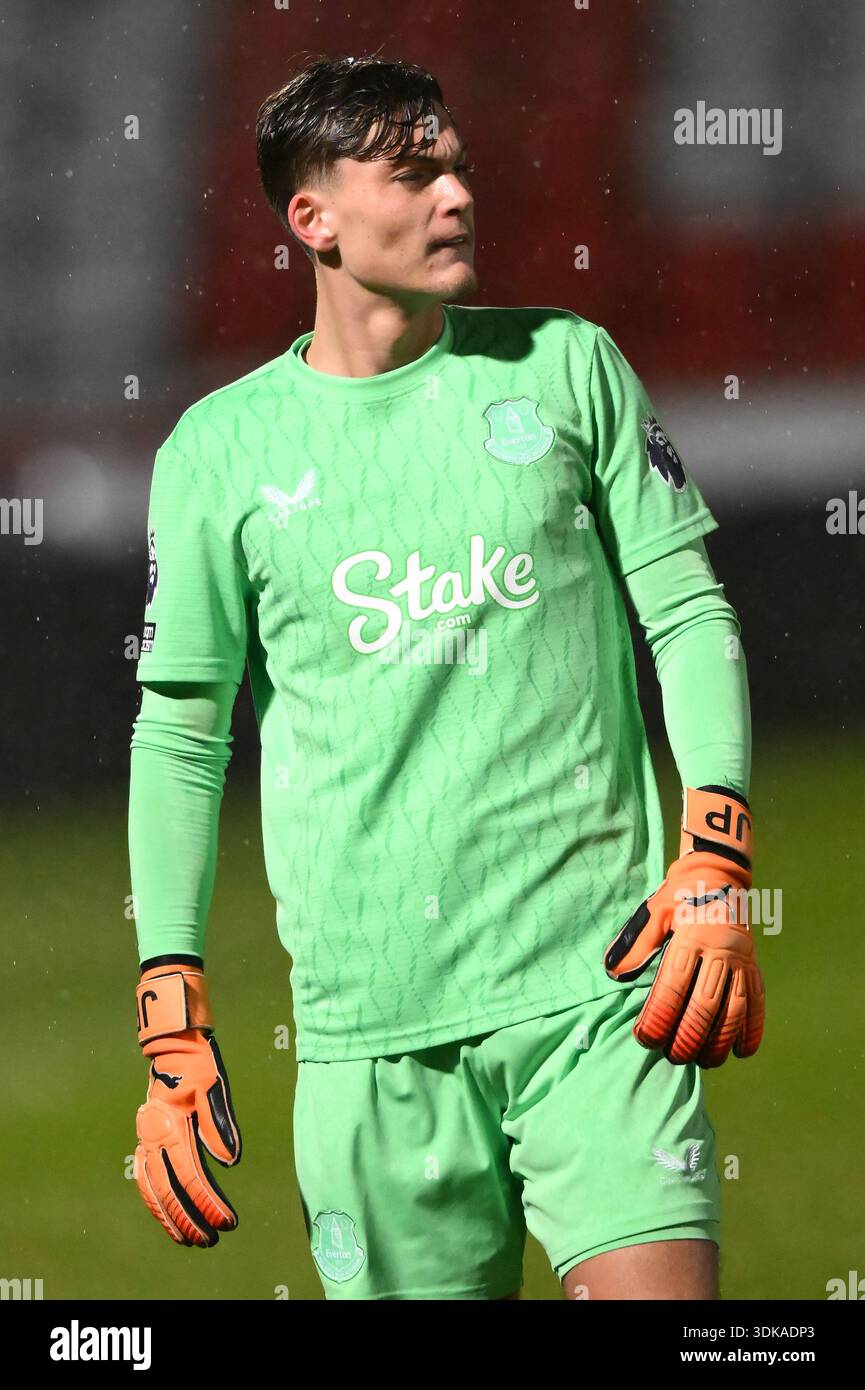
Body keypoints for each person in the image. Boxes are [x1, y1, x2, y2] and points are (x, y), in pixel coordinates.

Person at [128, 53, 764, 1301]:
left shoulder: (567, 367)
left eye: (459, 164)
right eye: (414, 173)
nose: (458, 194)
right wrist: (173, 1010)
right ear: (311, 218)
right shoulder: (216, 453)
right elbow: (182, 739)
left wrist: (717, 847)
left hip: (605, 992)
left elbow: (688, 609)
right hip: (370, 1038)